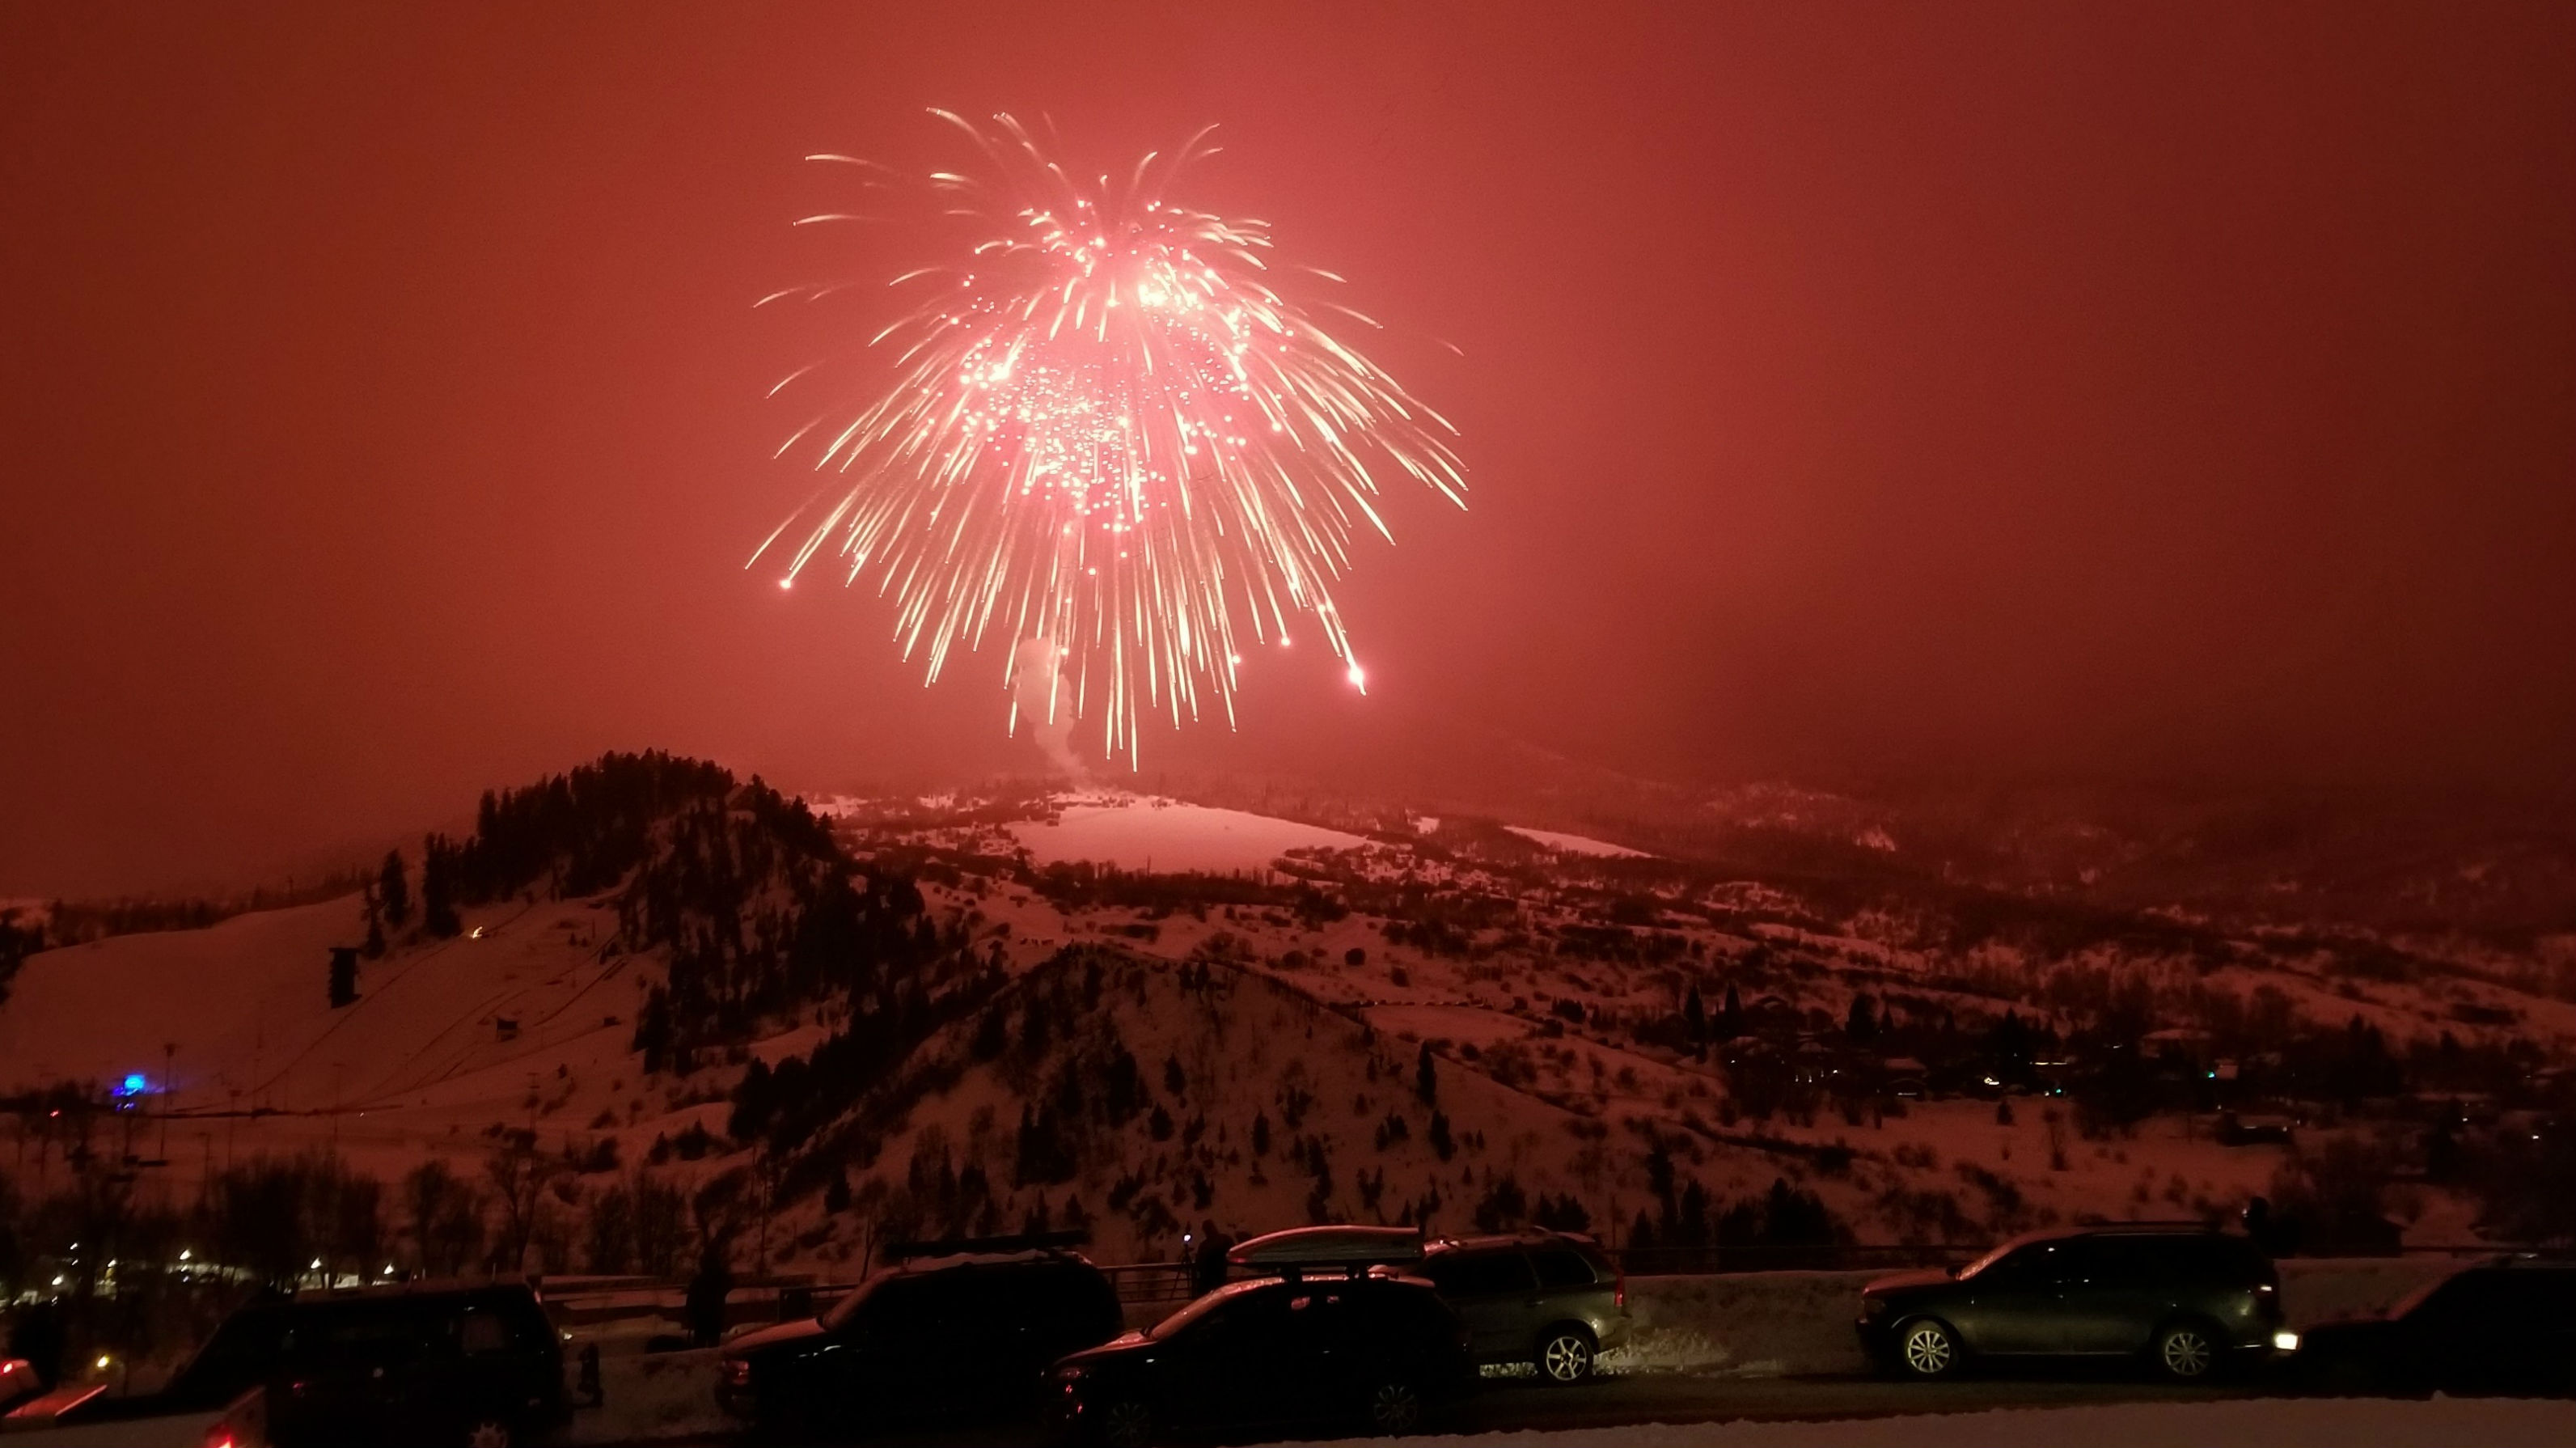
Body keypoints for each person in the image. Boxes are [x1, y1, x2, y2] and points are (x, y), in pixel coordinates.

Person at [684, 1246, 734, 1348]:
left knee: (699, 1345)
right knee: (713, 1345)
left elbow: (692, 1300)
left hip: (702, 1318)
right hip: (715, 1317)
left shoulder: (699, 1281)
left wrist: (690, 1316)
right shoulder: (720, 1279)